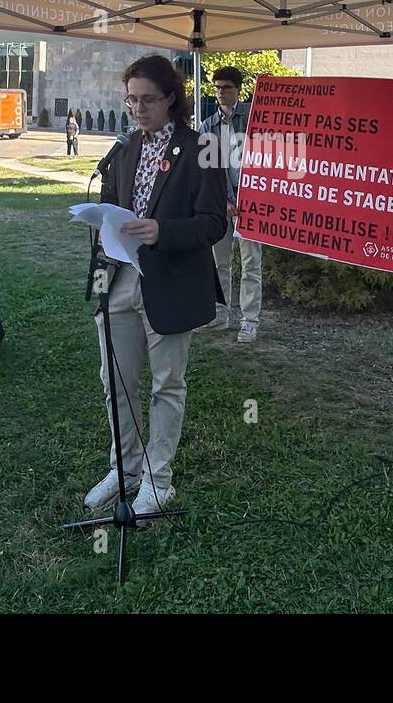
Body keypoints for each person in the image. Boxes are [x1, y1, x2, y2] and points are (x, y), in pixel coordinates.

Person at [83, 54, 227, 518]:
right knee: (116, 381)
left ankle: (157, 480)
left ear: (171, 99)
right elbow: (113, 202)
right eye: (131, 101)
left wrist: (164, 231)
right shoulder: (124, 149)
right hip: (121, 278)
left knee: (167, 384)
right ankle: (123, 469)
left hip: (171, 283)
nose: (138, 109)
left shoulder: (202, 146)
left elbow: (213, 224)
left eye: (148, 100)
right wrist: (104, 221)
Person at [197, 66, 262, 342]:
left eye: (226, 87)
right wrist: (222, 200)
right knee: (219, 261)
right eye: (217, 87)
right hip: (221, 204)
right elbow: (205, 170)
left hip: (251, 202)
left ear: (238, 89)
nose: (221, 92)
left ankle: (249, 320)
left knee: (251, 263)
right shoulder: (207, 125)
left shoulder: (254, 118)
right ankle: (220, 314)